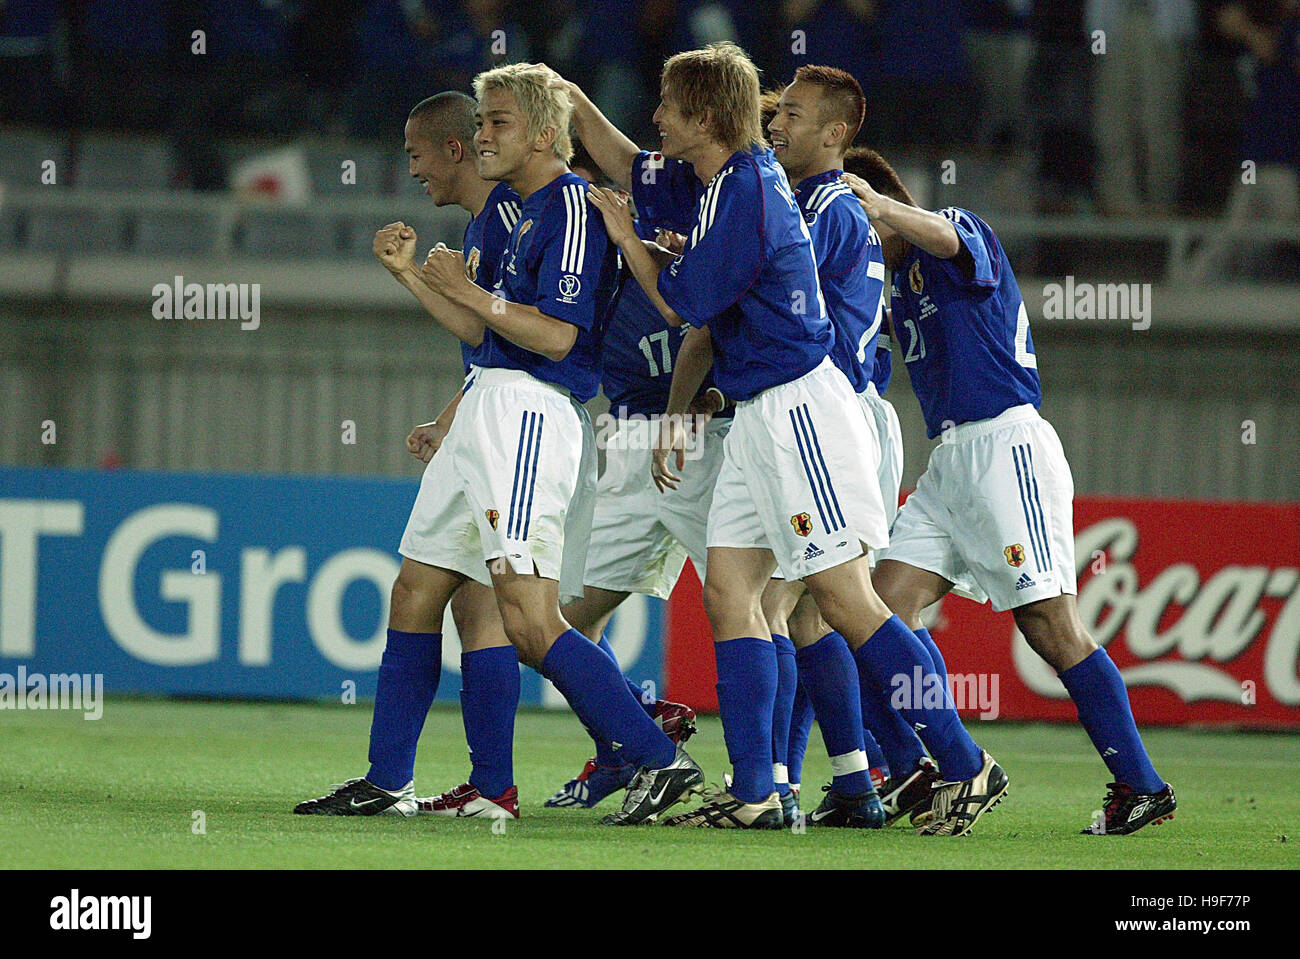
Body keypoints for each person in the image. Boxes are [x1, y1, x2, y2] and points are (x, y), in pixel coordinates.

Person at [565, 42, 1006, 834]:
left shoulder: (752, 191)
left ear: (702, 116)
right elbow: (699, 281)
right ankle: (759, 787)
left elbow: (685, 306)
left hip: (800, 407)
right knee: (733, 594)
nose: (657, 115)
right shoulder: (732, 184)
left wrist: (628, 237)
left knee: (841, 600)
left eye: (667, 104)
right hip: (758, 416)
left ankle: (965, 763)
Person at [296, 64, 705, 828]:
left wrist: (472, 293)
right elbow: (489, 336)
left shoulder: (575, 207)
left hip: (531, 416)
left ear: (545, 134)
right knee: (417, 590)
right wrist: (422, 281)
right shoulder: (519, 210)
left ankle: (657, 756)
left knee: (526, 616)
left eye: (497, 123)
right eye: (481, 123)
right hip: (493, 400)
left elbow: (556, 337)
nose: (481, 136)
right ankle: (395, 779)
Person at [842, 150, 1177, 835]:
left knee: (1049, 624)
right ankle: (927, 764)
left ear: (877, 201)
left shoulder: (951, 226)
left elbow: (948, 237)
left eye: (855, 214)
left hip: (1006, 443)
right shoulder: (893, 281)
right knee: (870, 615)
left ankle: (1142, 785)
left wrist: (878, 205)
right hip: (950, 463)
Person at [762, 73, 942, 826]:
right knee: (811, 611)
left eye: (790, 115)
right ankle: (859, 777)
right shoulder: (823, 208)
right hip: (845, 413)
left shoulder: (829, 207)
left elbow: (803, 324)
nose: (775, 126)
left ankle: (920, 760)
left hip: (832, 411)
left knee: (783, 602)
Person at [544, 212, 729, 809]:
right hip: (626, 450)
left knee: (772, 609)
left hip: (704, 444)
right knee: (562, 619)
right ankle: (633, 743)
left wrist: (708, 403)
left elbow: (726, 336)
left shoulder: (685, 267)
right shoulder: (582, 285)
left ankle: (807, 776)